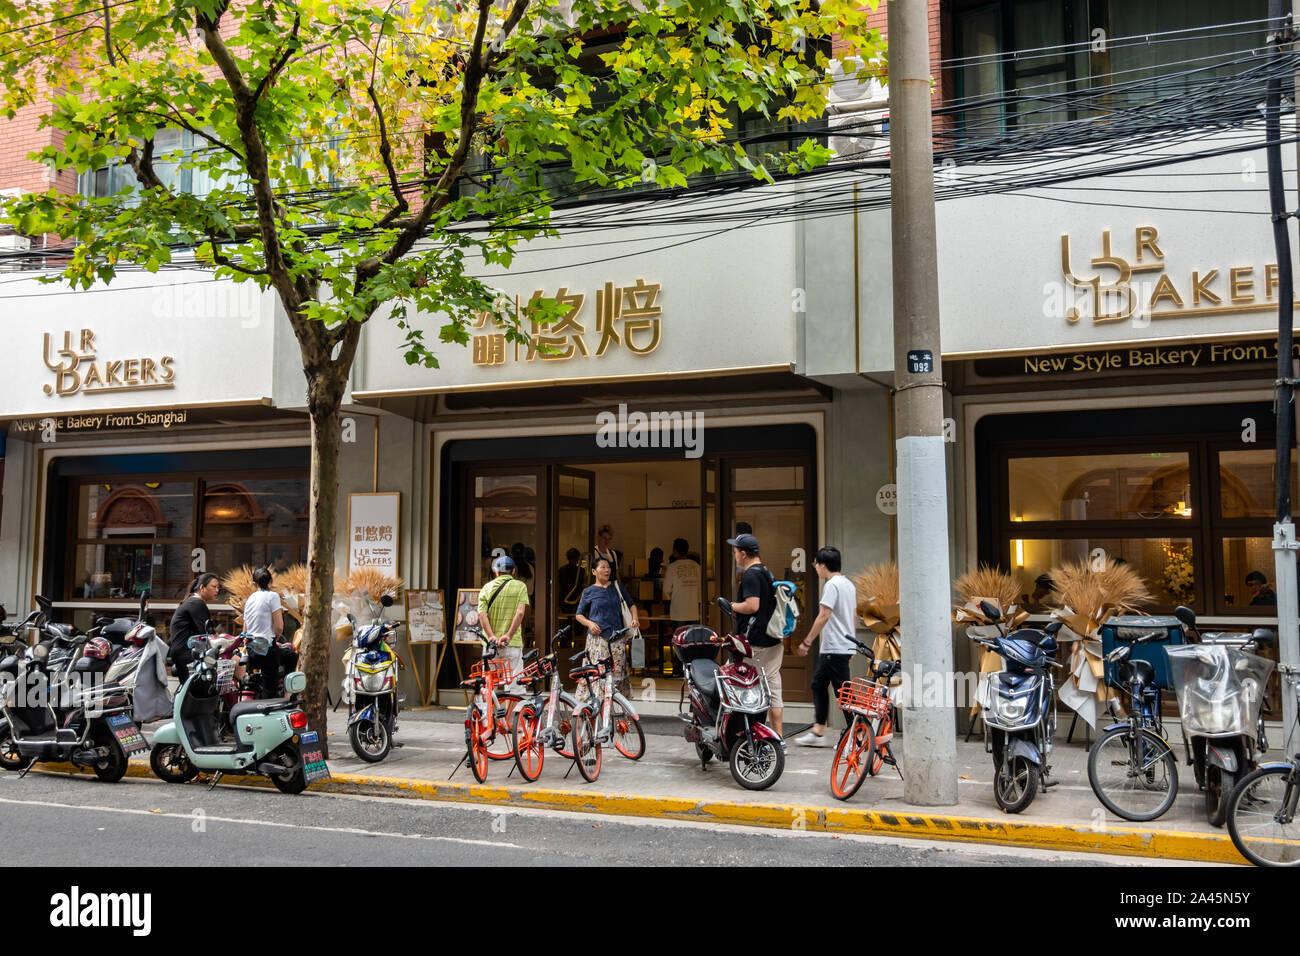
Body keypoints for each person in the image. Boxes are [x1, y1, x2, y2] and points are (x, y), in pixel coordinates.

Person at [794, 547, 857, 746]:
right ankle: (818, 732)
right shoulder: (848, 584)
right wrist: (852, 644)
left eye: (816, 564)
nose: (815, 568)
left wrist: (807, 641)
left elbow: (824, 615)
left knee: (843, 693)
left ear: (823, 565)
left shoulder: (832, 585)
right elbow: (853, 616)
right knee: (818, 684)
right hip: (840, 646)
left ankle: (857, 735)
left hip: (834, 647)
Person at [726, 532, 782, 738]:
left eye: (735, 551)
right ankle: (777, 738)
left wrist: (733, 606)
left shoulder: (750, 575)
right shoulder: (766, 572)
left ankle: (745, 735)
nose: (734, 555)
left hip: (755, 642)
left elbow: (752, 605)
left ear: (743, 554)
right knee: (773, 690)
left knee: (740, 683)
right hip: (773, 639)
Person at [575, 556, 639, 697]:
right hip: (597, 640)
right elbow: (578, 615)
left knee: (616, 673)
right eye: (603, 567)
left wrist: (635, 618)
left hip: (617, 638)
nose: (607, 570)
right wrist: (589, 623)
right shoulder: (589, 591)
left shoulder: (617, 587)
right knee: (598, 674)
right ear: (594, 571)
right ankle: (597, 703)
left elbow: (631, 605)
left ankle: (615, 703)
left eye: (608, 567)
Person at [477, 554, 530, 687]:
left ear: (496, 572)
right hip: (512, 643)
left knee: (489, 686)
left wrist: (491, 637)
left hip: (490, 645)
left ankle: (490, 702)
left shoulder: (486, 588)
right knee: (514, 686)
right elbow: (520, 613)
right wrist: (509, 635)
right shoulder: (520, 586)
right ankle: (510, 702)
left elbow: (482, 615)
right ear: (513, 571)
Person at [242, 566, 290, 698]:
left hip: (251, 649)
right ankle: (288, 695)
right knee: (291, 656)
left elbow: (244, 630)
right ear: (271, 581)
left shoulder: (250, 599)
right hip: (267, 649)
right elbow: (279, 626)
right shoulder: (273, 596)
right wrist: (276, 638)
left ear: (254, 583)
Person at [169, 573, 219, 683]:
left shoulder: (192, 601)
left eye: (218, 587)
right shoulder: (197, 603)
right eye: (213, 587)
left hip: (182, 652)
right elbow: (208, 632)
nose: (217, 590)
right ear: (202, 588)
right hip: (186, 653)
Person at [662, 537, 700, 629]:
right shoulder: (697, 566)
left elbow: (666, 589)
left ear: (675, 551)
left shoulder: (672, 567)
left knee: (679, 636)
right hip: (694, 611)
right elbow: (701, 588)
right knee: (692, 637)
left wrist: (672, 598)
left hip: (678, 612)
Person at [557, 547, 586, 616]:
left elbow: (560, 584)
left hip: (564, 598)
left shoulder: (562, 570)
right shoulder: (581, 571)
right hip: (577, 598)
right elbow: (582, 585)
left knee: (566, 618)